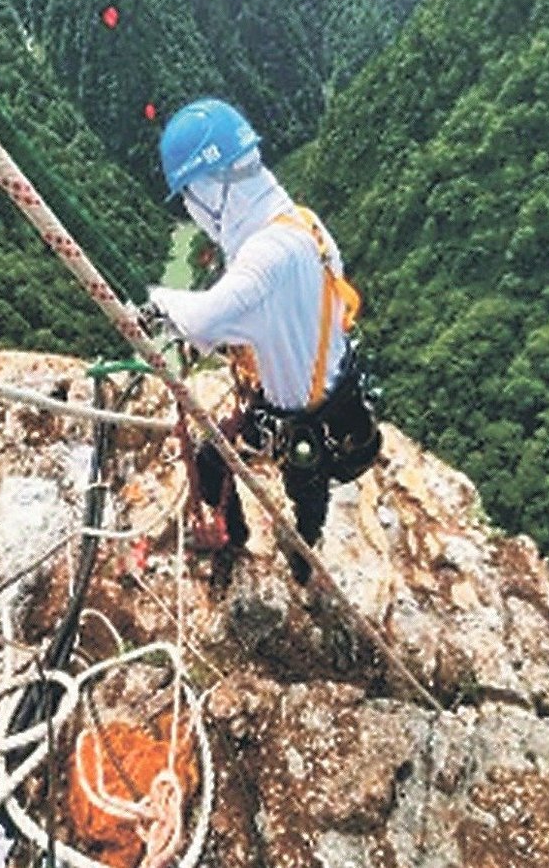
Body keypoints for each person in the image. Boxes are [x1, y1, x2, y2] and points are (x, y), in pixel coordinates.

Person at [145, 99, 382, 586]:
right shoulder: (302, 223)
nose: (191, 207)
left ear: (212, 188)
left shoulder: (264, 259)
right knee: (301, 486)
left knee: (240, 469)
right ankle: (298, 546)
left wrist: (152, 304)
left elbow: (205, 319)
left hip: (298, 411)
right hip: (338, 383)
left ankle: (265, 545)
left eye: (190, 194)